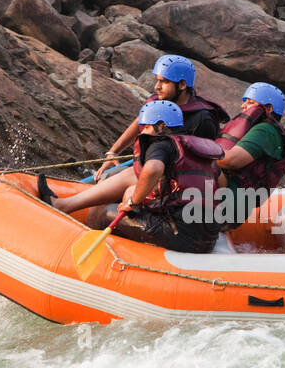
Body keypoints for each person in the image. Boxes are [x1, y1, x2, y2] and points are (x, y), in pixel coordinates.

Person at [43, 54, 229, 214]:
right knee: (105, 176)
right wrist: (113, 152)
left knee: (118, 181)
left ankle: (77, 216)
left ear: (181, 85)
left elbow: (205, 164)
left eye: (163, 82)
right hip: (152, 164)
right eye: (157, 80)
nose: (157, 87)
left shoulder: (203, 119)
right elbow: (139, 123)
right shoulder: (160, 100)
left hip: (175, 181)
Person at [84, 100, 223, 254]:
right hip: (209, 239)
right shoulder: (198, 149)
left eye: (147, 127)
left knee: (107, 213)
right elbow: (221, 182)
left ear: (162, 126)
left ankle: (98, 249)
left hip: (178, 235)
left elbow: (153, 169)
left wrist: (133, 202)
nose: (142, 133)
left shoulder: (161, 144)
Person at [214, 83, 285, 229]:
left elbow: (229, 161)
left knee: (199, 164)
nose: (243, 106)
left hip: (230, 203)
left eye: (250, 103)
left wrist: (197, 152)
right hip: (236, 204)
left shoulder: (266, 130)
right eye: (245, 101)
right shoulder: (268, 131)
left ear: (268, 109)